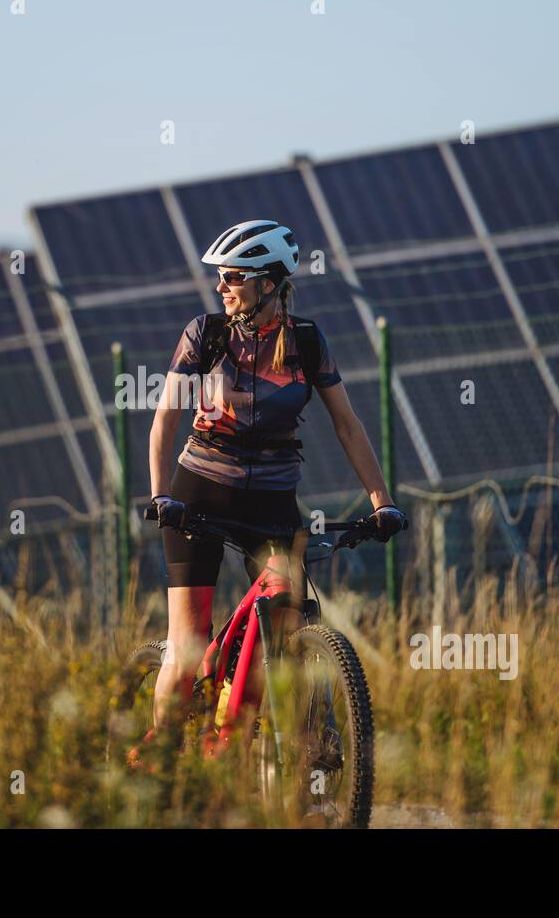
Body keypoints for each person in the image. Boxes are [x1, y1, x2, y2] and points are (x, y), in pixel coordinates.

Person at [147, 219, 408, 737]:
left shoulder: (308, 342)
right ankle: (160, 760)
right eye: (221, 278)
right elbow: (165, 421)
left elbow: (348, 426)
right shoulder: (207, 333)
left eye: (233, 278)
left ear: (268, 282)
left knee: (284, 628)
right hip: (198, 493)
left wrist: (382, 503)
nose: (221, 287)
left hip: (271, 501)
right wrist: (160, 496)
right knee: (187, 647)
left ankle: (230, 740)